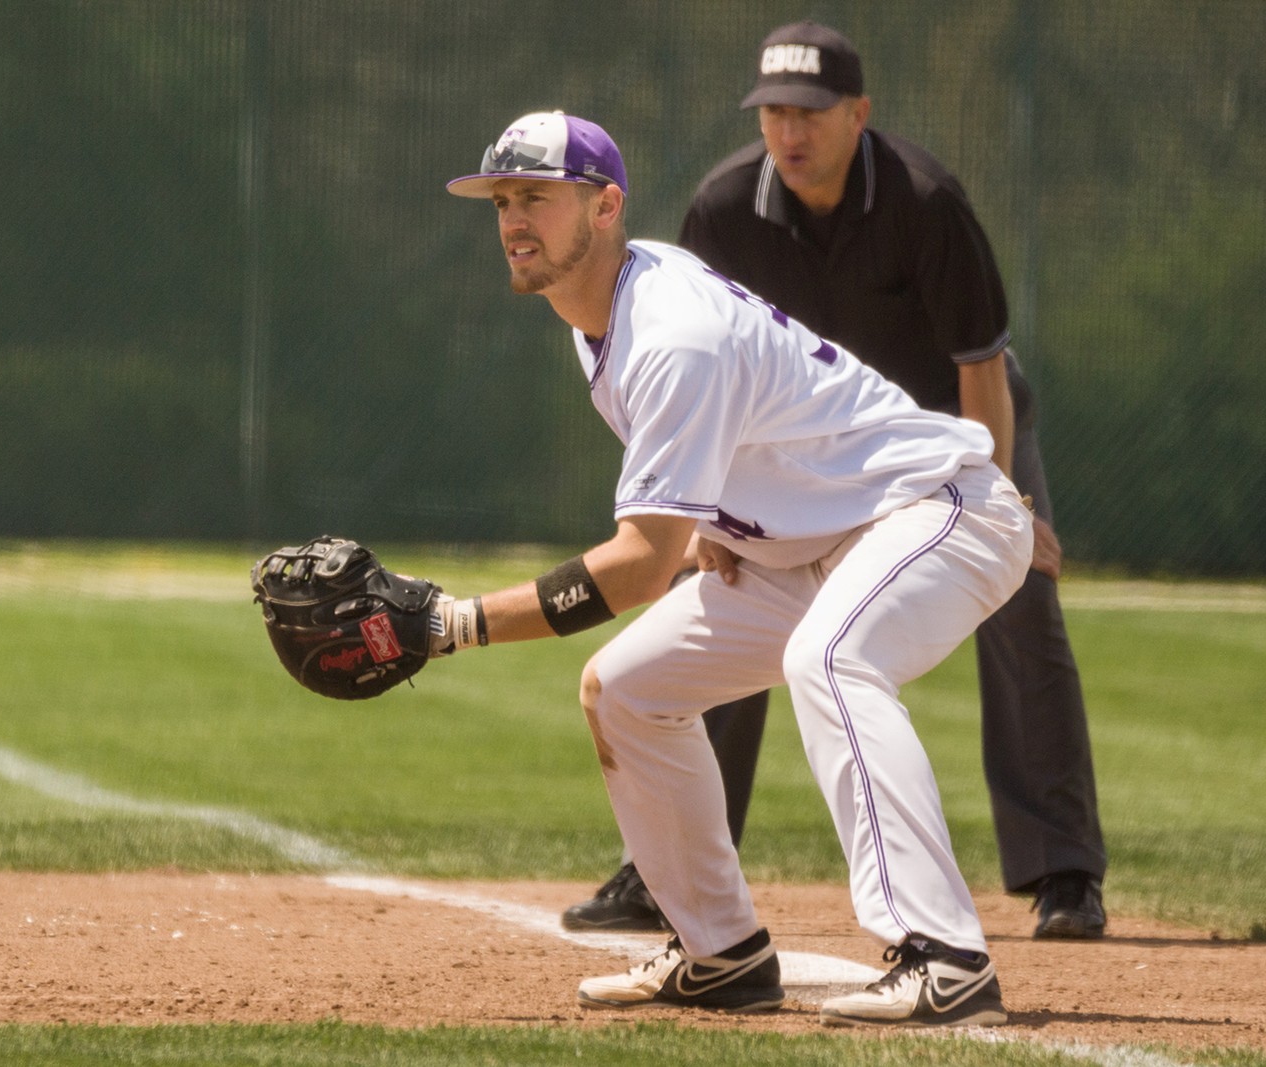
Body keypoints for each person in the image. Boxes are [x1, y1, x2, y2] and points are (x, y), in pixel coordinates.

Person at [438, 109, 1029, 1026]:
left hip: (939, 507)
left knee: (830, 659)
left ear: (605, 207)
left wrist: (453, 623)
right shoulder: (603, 308)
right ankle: (720, 950)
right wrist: (718, 515)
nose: (513, 219)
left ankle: (945, 956)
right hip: (815, 544)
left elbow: (639, 567)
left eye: (537, 198)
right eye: (502, 200)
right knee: (626, 689)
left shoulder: (669, 332)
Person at [564, 20, 1108, 942]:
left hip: (954, 434)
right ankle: (671, 872)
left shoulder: (925, 200)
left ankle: (1063, 869)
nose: (791, 130)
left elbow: (979, 363)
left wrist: (1002, 487)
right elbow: (699, 370)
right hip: (814, 445)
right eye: (774, 110)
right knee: (727, 592)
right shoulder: (726, 206)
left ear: (858, 114)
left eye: (812, 110)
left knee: (1021, 604)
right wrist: (708, 518)